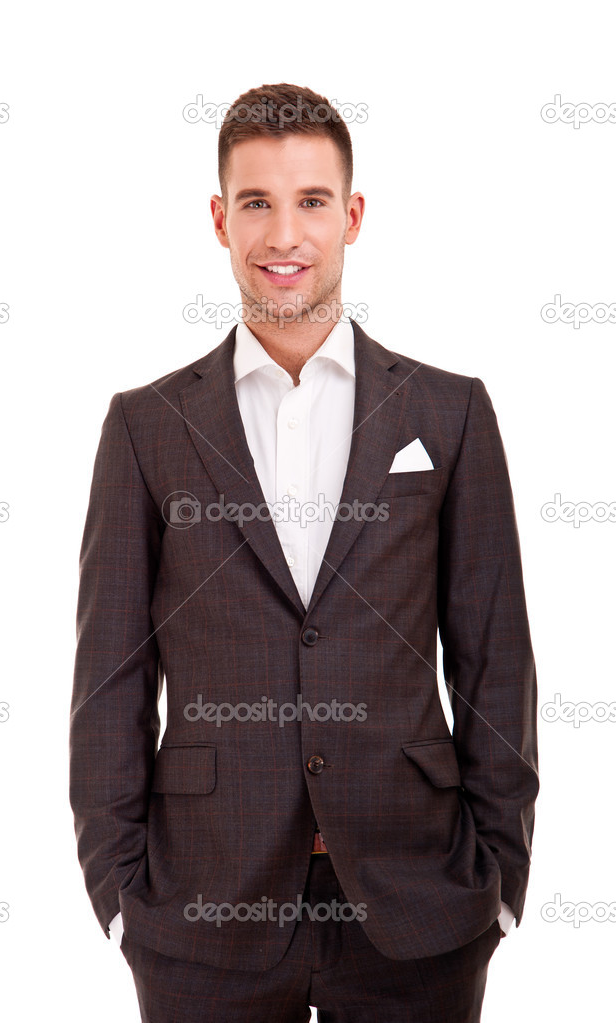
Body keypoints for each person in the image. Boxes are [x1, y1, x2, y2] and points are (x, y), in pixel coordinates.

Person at [70, 82, 539, 1022]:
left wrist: (498, 881)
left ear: (351, 215)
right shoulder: (145, 426)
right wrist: (120, 896)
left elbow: (496, 662)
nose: (284, 234)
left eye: (311, 202)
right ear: (219, 219)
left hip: (419, 905)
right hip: (202, 910)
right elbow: (109, 677)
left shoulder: (447, 413)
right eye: (256, 202)